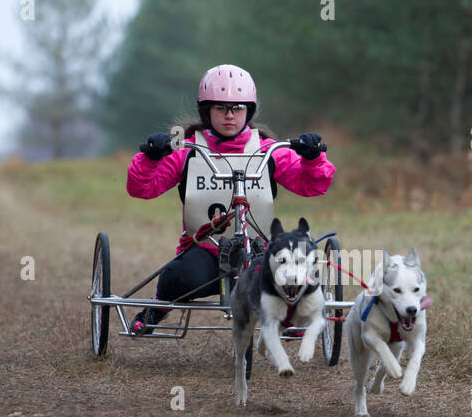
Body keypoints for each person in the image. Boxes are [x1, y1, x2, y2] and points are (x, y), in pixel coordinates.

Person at [125, 63, 335, 334]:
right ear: (206, 110)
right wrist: (150, 159)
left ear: (249, 111)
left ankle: (290, 315)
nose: (229, 116)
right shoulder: (187, 149)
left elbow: (313, 185)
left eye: (237, 108)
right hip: (205, 250)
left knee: (287, 275)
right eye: (221, 108)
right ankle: (157, 308)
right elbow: (141, 188)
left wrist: (312, 158)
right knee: (176, 280)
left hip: (259, 250)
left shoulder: (268, 150)